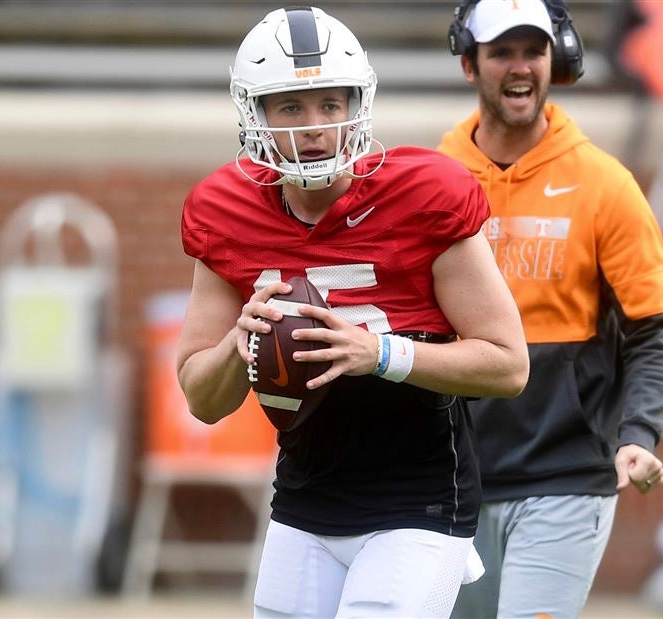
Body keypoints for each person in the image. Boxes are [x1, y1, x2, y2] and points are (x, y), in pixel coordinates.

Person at [175, 6, 529, 618]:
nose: (314, 127)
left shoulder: (426, 196)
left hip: (418, 500)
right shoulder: (223, 211)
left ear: (356, 107)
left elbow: (508, 365)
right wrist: (240, 342)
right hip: (305, 498)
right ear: (255, 114)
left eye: (330, 105)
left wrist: (380, 353)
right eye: (291, 107)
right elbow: (203, 401)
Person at [438, 1, 663, 617]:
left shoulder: (607, 184)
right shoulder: (431, 182)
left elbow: (655, 331)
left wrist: (639, 432)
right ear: (470, 65)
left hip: (567, 476)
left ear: (558, 59)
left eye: (534, 51)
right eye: (502, 52)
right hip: (448, 481)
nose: (520, 67)